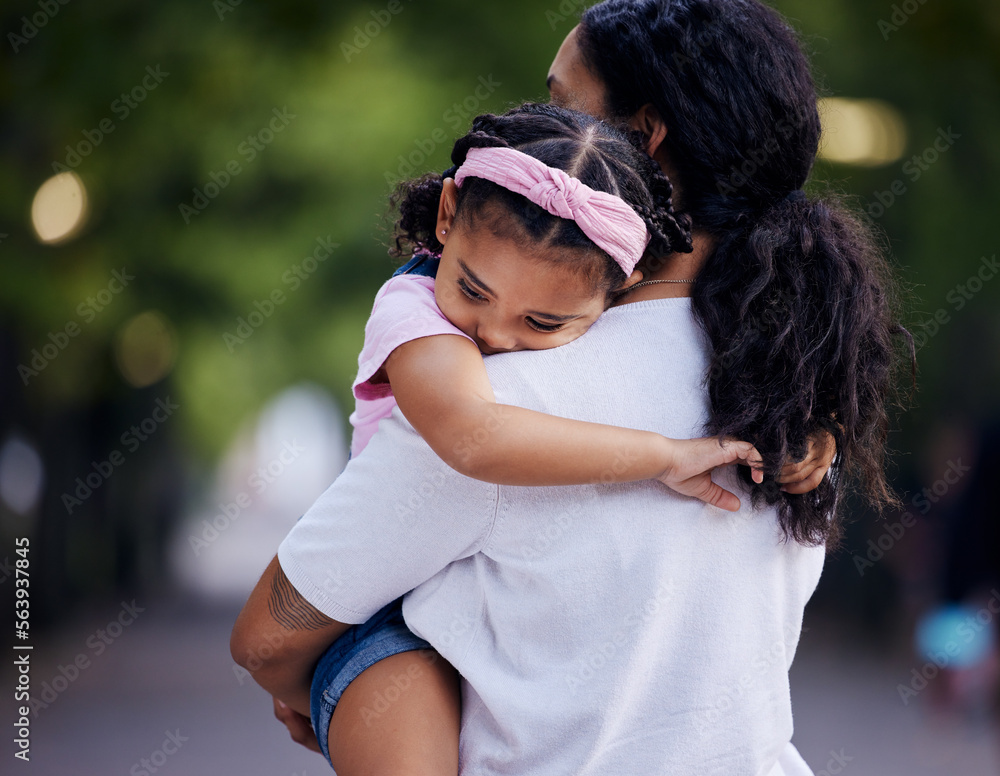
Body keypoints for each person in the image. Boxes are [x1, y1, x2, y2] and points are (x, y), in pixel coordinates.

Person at [232, 1, 907, 773]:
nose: (541, 128)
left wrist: (337, 689)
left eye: (560, 102)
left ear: (640, 140)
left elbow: (265, 637)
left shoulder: (500, 395)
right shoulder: (795, 394)